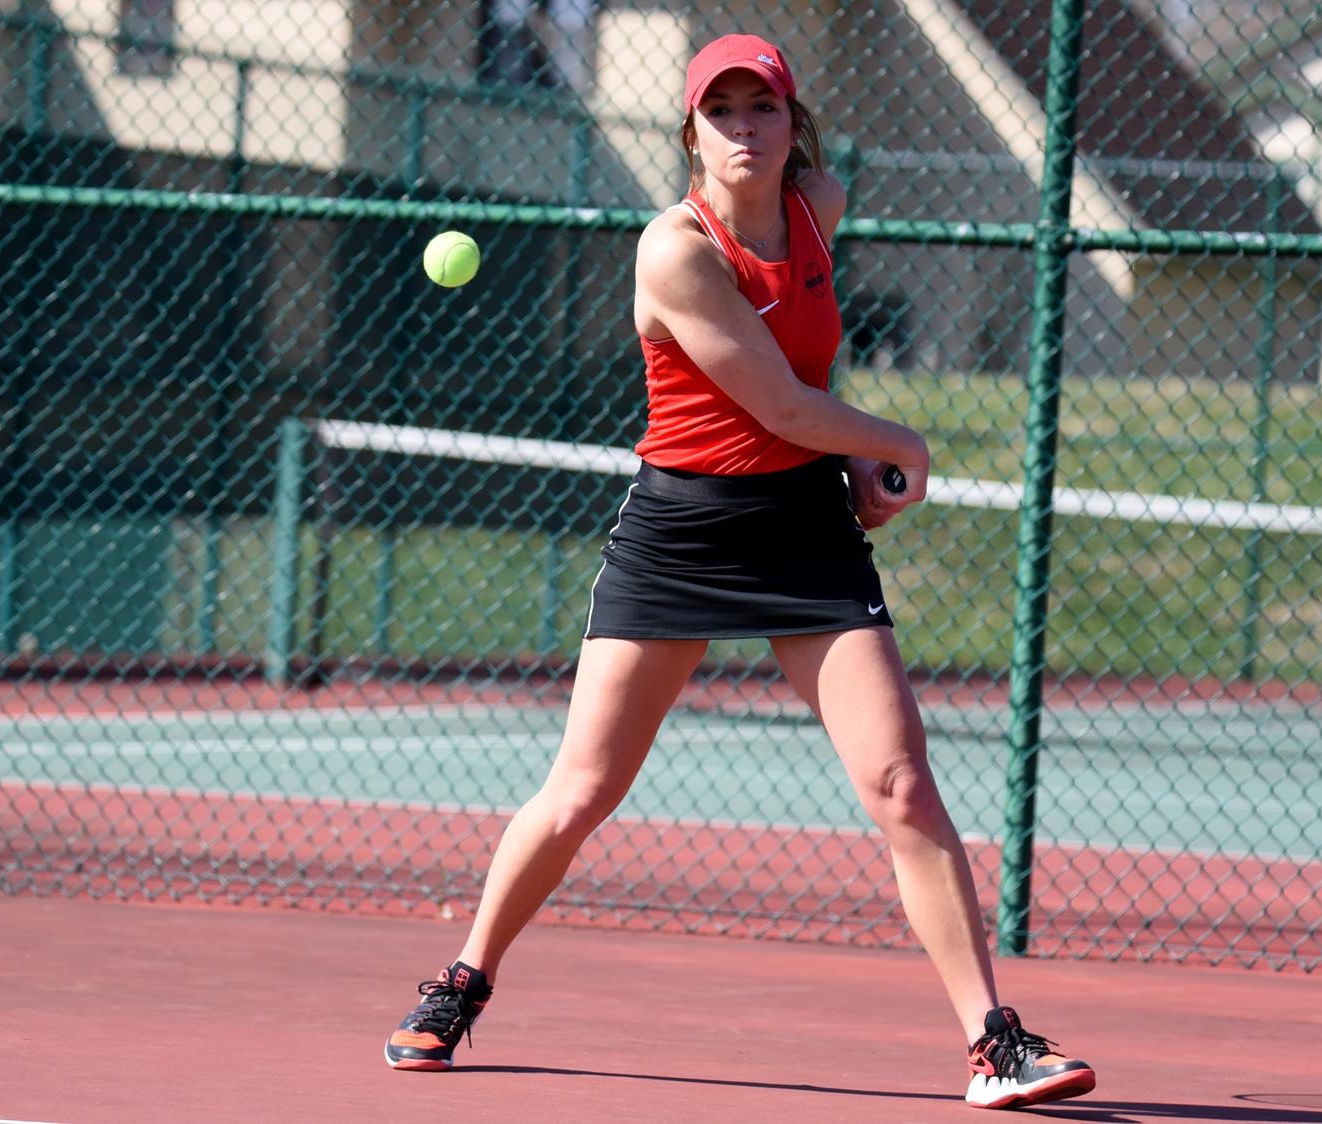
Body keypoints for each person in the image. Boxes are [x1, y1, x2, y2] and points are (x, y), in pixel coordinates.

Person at [383, 33, 1096, 1110]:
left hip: (803, 529)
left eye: (761, 106)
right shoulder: (674, 249)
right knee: (581, 791)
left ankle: (991, 1045)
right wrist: (897, 439)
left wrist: (849, 453)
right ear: (690, 132)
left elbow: (809, 367)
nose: (742, 127)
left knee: (901, 782)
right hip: (681, 531)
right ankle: (461, 979)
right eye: (719, 111)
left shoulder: (821, 203)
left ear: (790, 121)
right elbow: (780, 405)